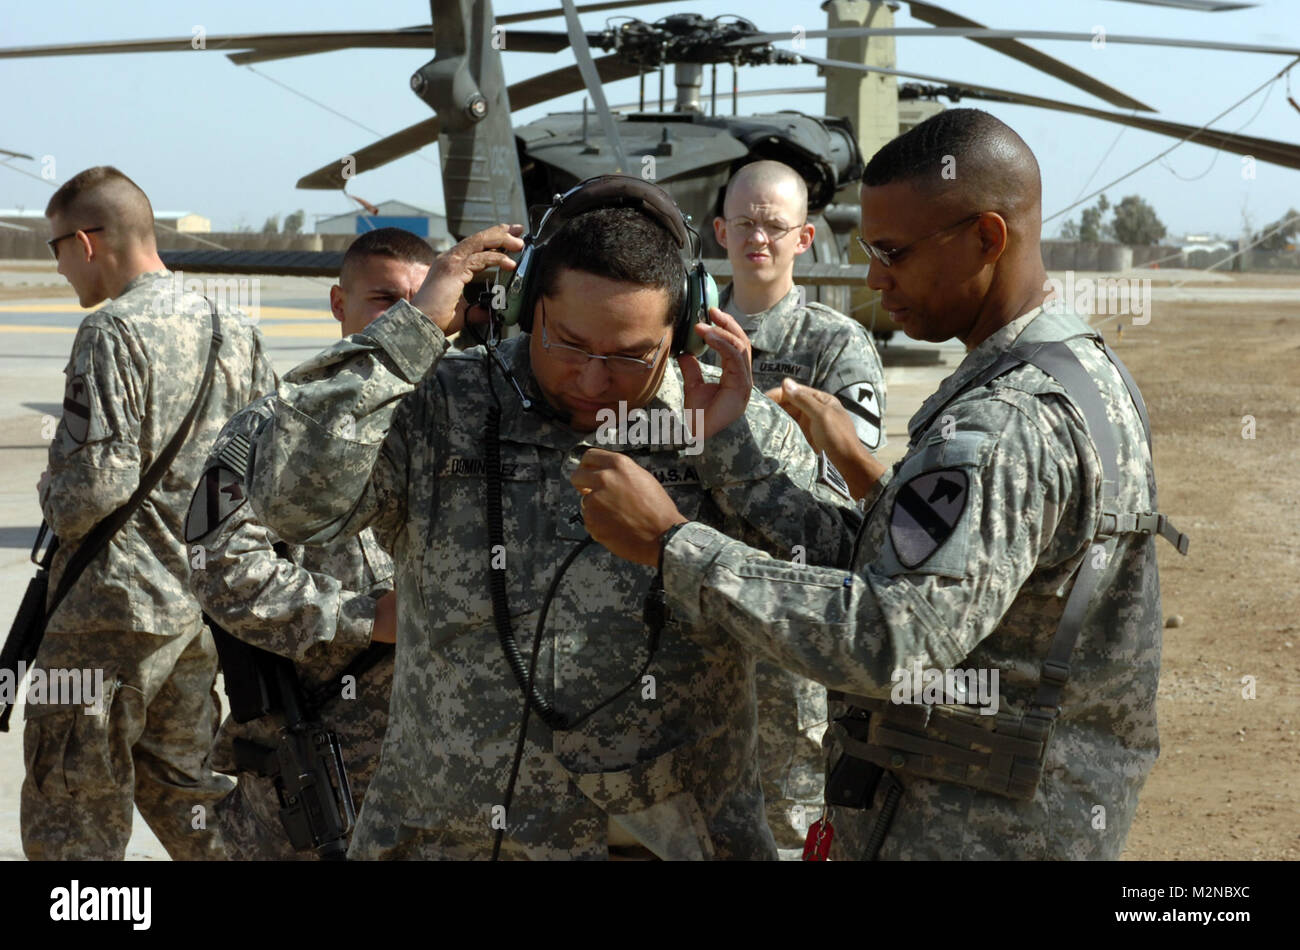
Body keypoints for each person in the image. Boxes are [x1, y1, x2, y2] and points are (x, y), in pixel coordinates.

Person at [580, 111, 1187, 860]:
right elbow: (895, 559)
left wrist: (675, 547)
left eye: (894, 253)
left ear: (987, 238)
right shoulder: (1074, 370)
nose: (873, 277)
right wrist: (731, 438)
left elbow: (893, 640)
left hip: (975, 830)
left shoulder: (1007, 424)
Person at [239, 176, 861, 860]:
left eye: (630, 356)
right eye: (568, 343)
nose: (593, 381)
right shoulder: (442, 404)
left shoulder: (726, 420)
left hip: (659, 840)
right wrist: (406, 335)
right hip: (449, 839)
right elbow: (289, 502)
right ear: (526, 309)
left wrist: (723, 447)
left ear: (681, 328)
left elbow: (849, 592)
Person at [25, 165, 277, 860]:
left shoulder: (110, 332)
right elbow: (266, 472)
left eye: (55, 250)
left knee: (72, 803)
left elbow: (92, 492)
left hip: (108, 619)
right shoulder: (236, 330)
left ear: (86, 241)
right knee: (192, 793)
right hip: (197, 614)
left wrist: (49, 490)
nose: (60, 269)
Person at [185, 228, 435, 859]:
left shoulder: (455, 432)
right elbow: (220, 567)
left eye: (421, 299)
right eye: (384, 300)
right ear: (338, 304)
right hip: (321, 771)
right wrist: (363, 618)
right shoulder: (270, 430)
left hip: (441, 772)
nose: (404, 317)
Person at [711, 159, 888, 849]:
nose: (759, 237)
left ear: (805, 238)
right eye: (745, 223)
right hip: (693, 618)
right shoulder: (683, 338)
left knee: (786, 820)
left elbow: (849, 488)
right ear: (722, 230)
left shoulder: (835, 346)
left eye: (775, 225)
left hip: (787, 627)